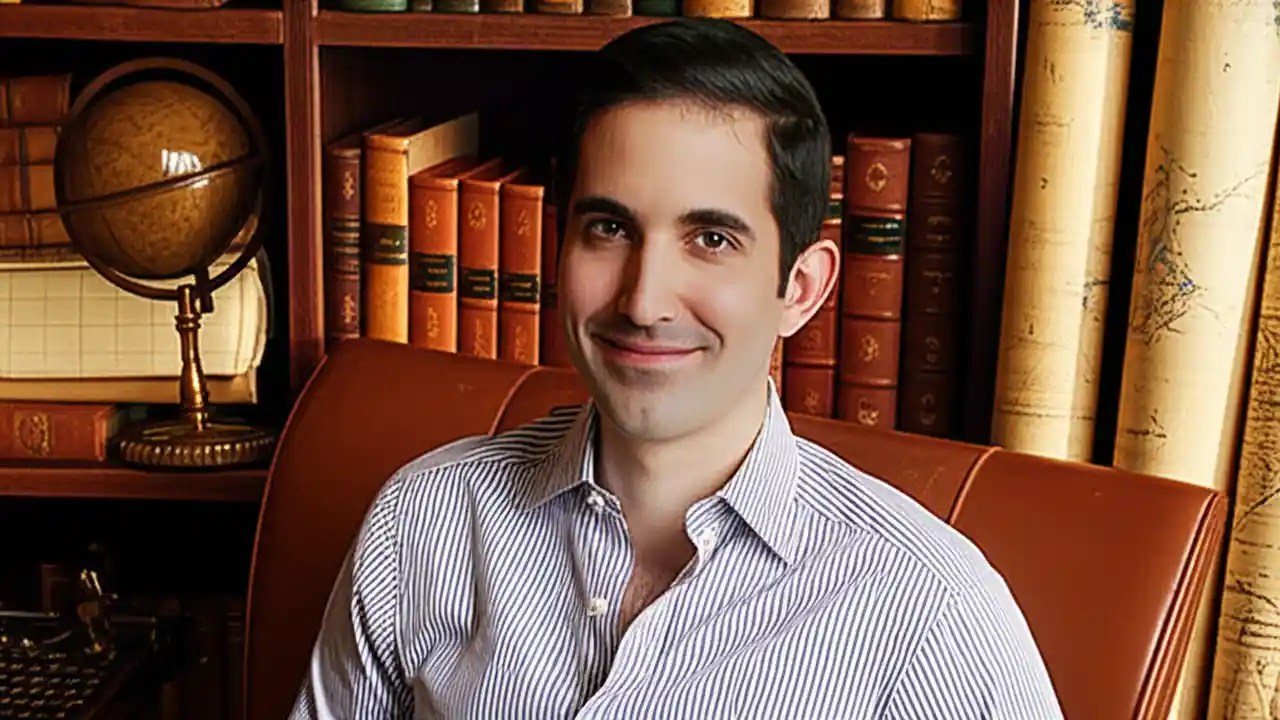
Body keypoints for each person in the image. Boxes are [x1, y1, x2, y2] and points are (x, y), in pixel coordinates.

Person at [290, 17, 1063, 719]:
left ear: (801, 289)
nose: (645, 299)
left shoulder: (932, 614)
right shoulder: (424, 524)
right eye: (609, 227)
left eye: (712, 240)